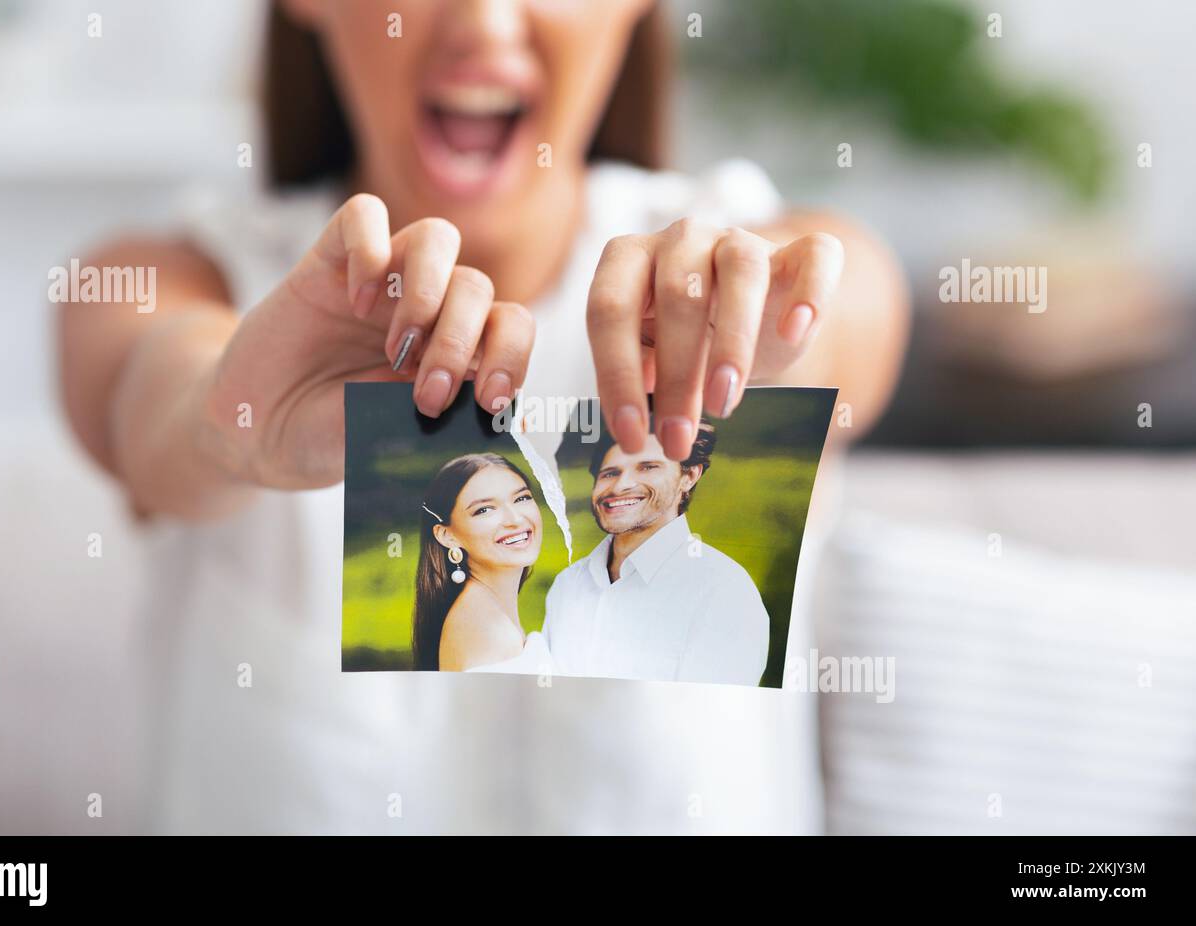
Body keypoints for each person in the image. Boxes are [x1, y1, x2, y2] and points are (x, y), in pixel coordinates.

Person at [58, 0, 909, 833]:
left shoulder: (737, 258)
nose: (484, 21)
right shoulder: (177, 280)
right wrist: (227, 428)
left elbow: (853, 308)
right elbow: (151, 395)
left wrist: (760, 328)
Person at [544, 422, 769, 685]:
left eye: (648, 467)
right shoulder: (568, 584)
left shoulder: (723, 590)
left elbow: (713, 718)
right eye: (609, 473)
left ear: (689, 476)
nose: (620, 486)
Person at [411, 453, 550, 674]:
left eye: (521, 498)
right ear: (447, 535)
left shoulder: (480, 613)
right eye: (484, 510)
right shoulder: (491, 631)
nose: (515, 519)